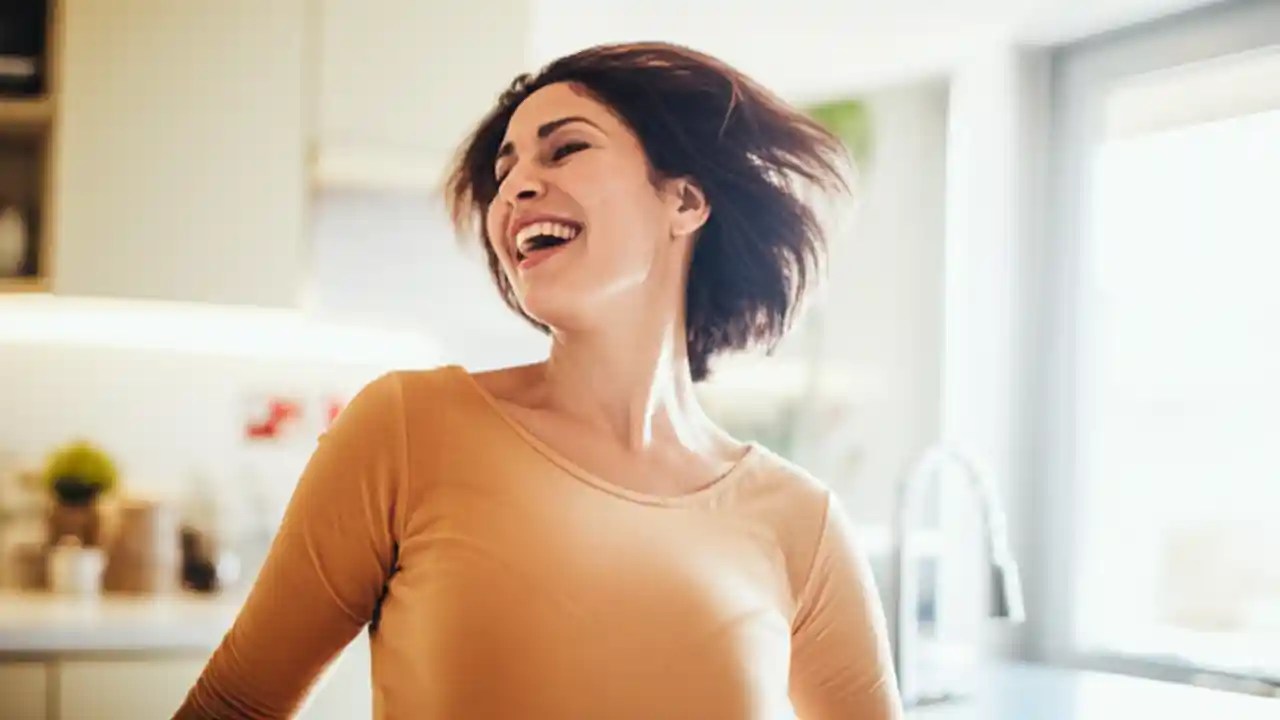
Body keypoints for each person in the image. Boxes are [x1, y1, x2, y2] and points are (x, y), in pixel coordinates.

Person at [175, 42, 902, 719]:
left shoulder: (800, 525)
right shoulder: (407, 429)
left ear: (684, 201)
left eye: (568, 148)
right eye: (505, 173)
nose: (518, 186)